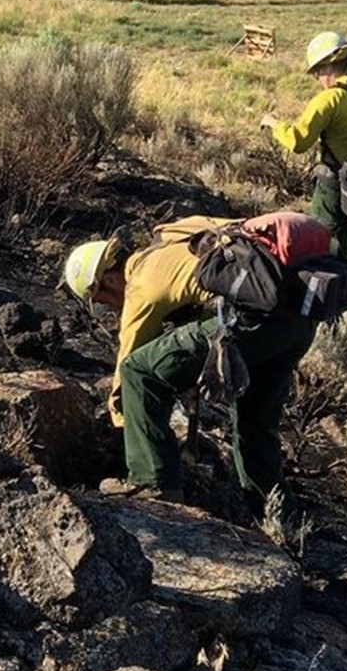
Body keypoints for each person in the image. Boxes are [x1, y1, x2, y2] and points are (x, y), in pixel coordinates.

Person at [64, 212, 326, 508]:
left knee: (139, 373)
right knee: (255, 420)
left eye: (101, 300)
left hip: (249, 322)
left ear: (110, 279)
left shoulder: (141, 283)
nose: (109, 308)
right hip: (297, 320)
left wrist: (121, 425)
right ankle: (274, 513)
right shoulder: (177, 235)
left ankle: (152, 482)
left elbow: (131, 362)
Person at [260, 31, 347, 339]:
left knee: (317, 249)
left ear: (330, 67)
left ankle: (316, 323)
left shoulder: (330, 99)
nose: (318, 78)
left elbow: (298, 141)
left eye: (318, 71)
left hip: (334, 187)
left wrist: (274, 124)